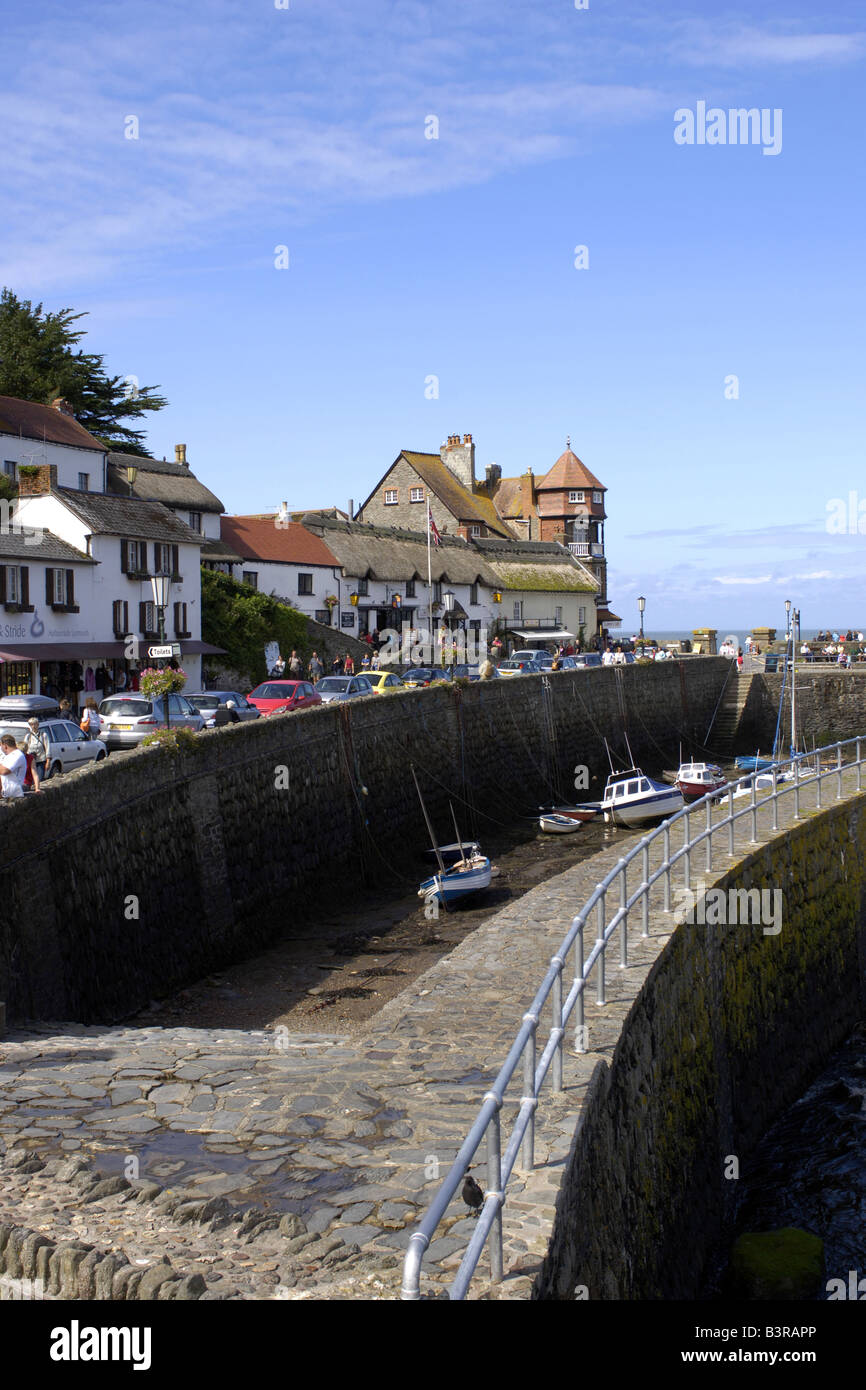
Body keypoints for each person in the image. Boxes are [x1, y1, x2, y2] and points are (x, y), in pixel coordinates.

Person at [24, 718, 48, 792]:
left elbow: (48, 748)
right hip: (31, 761)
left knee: (39, 778)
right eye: (31, 724)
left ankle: (37, 790)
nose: (33, 726)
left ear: (38, 725)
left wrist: (48, 761)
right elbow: (24, 748)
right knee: (30, 780)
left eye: (35, 724)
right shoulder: (28, 736)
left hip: (41, 760)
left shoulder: (43, 735)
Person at [0, 734, 27, 799]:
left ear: (5, 746)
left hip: (14, 795)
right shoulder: (8, 756)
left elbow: (4, 771)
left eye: (1, 746)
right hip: (6, 794)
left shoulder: (17, 755)